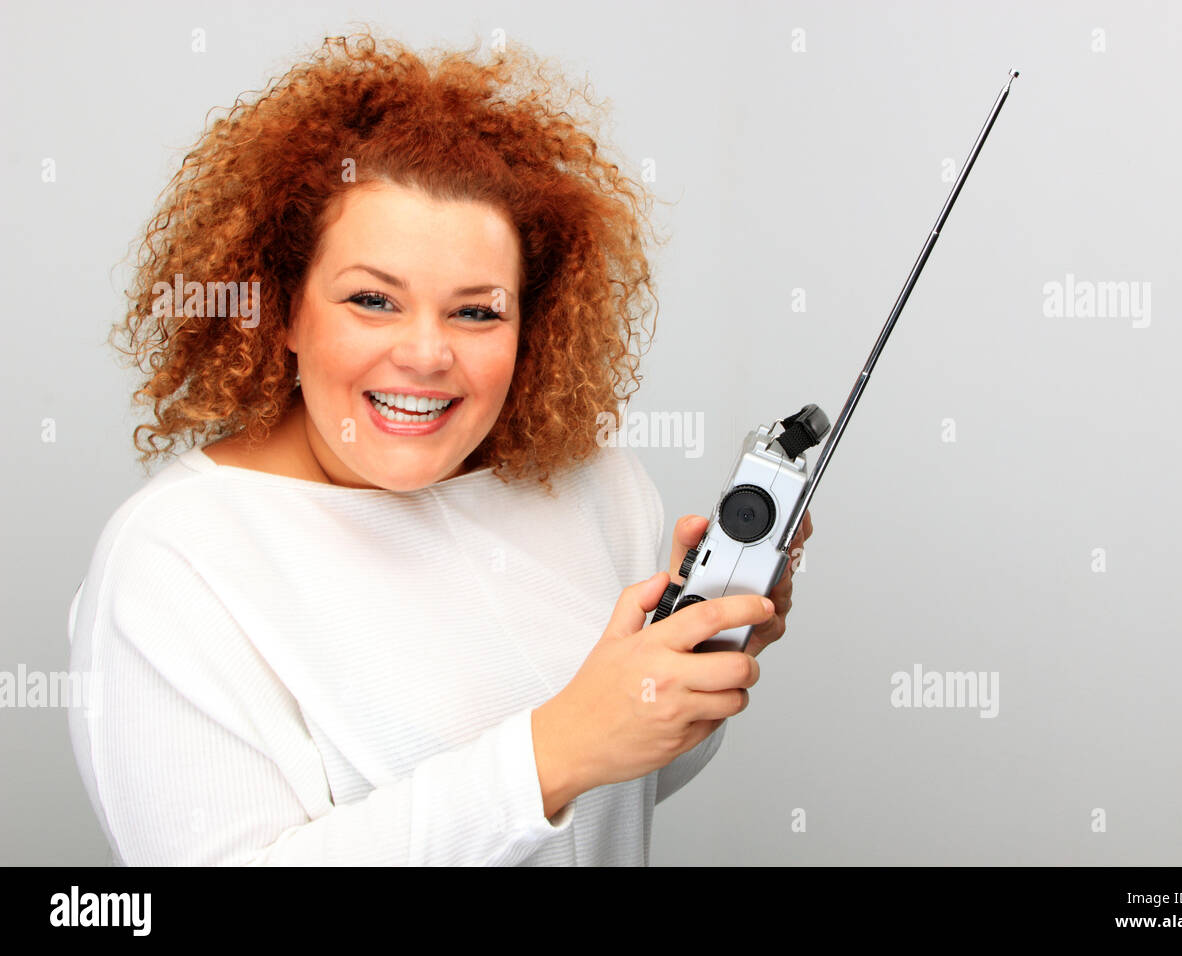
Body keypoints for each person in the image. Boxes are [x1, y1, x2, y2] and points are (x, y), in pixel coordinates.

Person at [67, 30, 812, 865]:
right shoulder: (176, 559)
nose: (426, 355)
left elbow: (609, 806)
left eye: (477, 311)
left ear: (532, 327)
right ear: (279, 311)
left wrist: (694, 665)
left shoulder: (594, 484)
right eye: (373, 300)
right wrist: (552, 751)